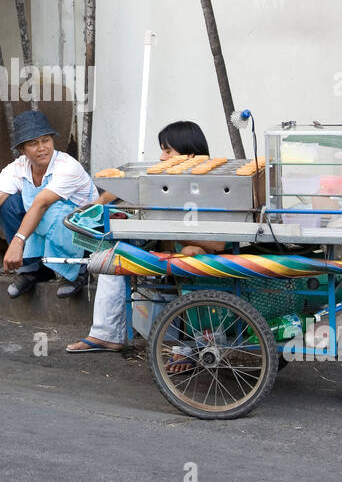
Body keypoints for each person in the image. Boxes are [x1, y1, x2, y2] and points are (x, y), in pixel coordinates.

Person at [66, 120, 225, 366]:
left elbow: (217, 244)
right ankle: (106, 334)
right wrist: (94, 207)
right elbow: (122, 188)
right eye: (161, 150)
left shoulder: (208, 186)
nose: (161, 157)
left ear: (190, 155)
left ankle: (187, 349)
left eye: (167, 150)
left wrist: (170, 232)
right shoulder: (166, 178)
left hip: (196, 256)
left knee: (187, 261)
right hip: (166, 248)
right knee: (114, 254)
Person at [0, 110, 98, 299]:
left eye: (46, 140)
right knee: (7, 203)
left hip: (84, 236)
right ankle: (32, 269)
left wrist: (18, 241)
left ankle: (76, 270)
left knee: (55, 210)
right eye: (33, 143)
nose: (42, 148)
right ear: (22, 150)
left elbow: (41, 204)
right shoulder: (17, 168)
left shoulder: (67, 166)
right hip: (47, 226)